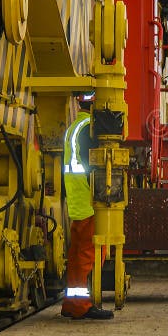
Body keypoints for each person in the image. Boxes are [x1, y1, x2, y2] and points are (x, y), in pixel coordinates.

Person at [61, 95, 114, 320]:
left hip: (77, 199)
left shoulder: (74, 127)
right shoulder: (87, 128)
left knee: (77, 256)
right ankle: (81, 306)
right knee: (88, 256)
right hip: (88, 200)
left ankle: (72, 303)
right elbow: (93, 164)